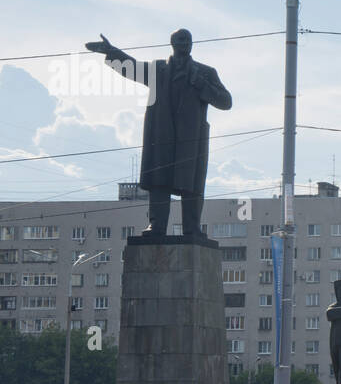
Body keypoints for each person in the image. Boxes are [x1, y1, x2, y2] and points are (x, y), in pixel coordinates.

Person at [85, 29, 232, 238]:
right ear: (172, 43)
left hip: (191, 140)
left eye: (188, 40)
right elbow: (133, 68)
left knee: (191, 185)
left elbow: (226, 102)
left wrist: (200, 84)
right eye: (181, 40)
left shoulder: (205, 72)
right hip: (162, 135)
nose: (185, 44)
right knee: (159, 181)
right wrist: (112, 51)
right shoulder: (158, 70)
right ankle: (157, 226)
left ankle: (192, 228)